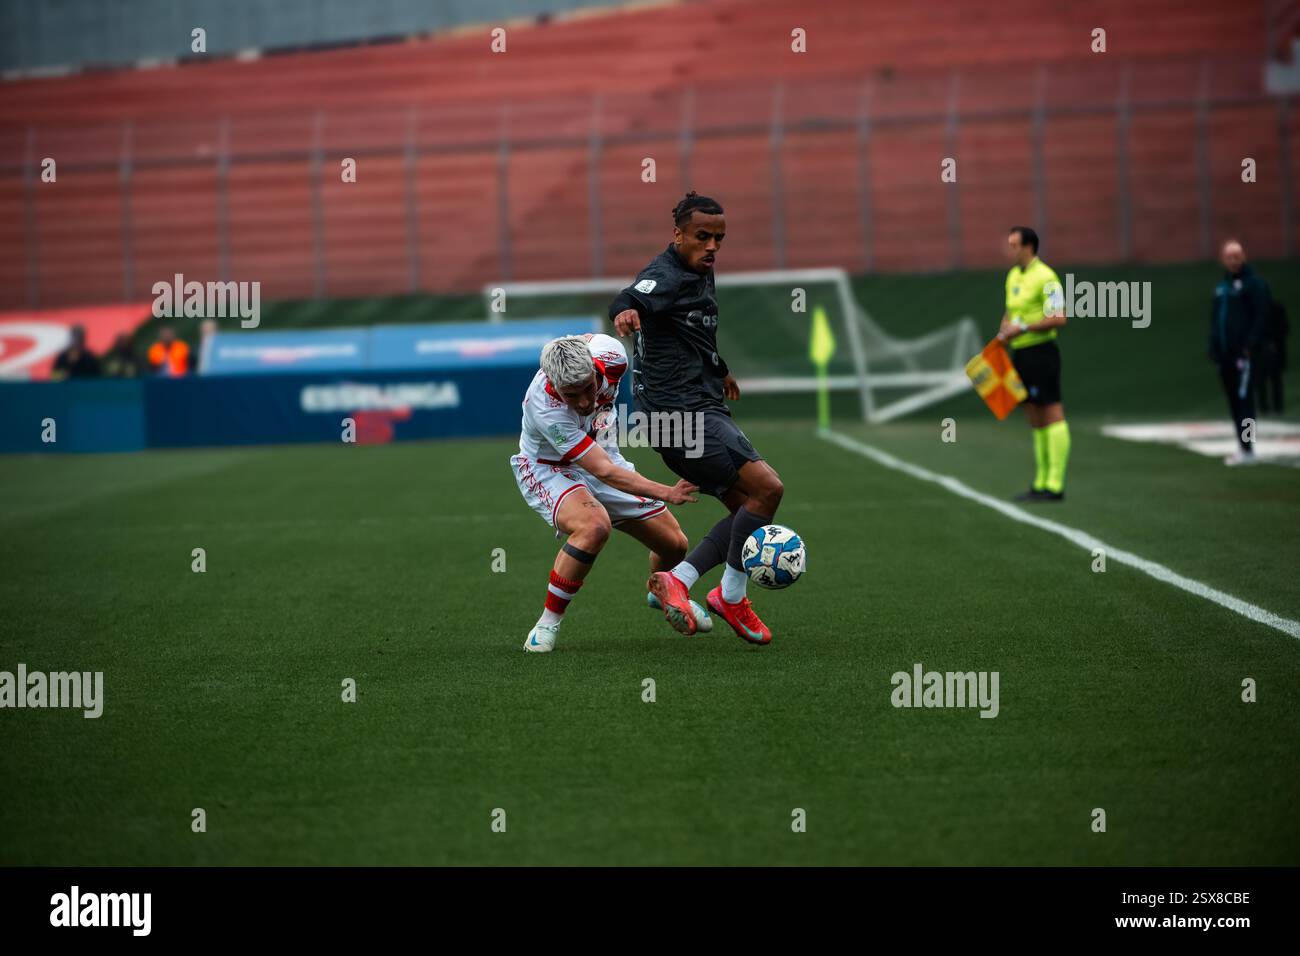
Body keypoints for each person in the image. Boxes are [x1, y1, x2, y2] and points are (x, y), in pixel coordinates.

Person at [610, 191, 785, 646]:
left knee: (748, 511)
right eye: (702, 236)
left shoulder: (699, 270)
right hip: (682, 413)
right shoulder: (665, 273)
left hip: (681, 411)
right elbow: (631, 298)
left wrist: (720, 369)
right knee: (768, 490)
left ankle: (704, 588)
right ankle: (710, 589)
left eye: (719, 239)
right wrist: (626, 312)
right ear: (679, 235)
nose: (712, 246)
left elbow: (690, 329)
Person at [511, 333, 704, 653]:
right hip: (549, 468)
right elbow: (604, 472)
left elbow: (588, 338)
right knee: (594, 526)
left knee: (674, 545)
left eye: (589, 388)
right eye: (572, 395)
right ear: (556, 386)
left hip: (602, 454)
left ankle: (663, 588)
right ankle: (546, 624)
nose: (585, 402)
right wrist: (667, 492)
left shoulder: (612, 355)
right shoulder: (544, 406)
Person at [997, 226, 1070, 501]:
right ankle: (1040, 482)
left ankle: (1055, 484)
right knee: (1033, 416)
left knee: (1052, 412)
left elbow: (1060, 317)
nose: (1009, 250)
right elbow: (1011, 312)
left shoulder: (1046, 276)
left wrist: (1024, 328)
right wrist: (1004, 331)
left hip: (1042, 353)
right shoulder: (1013, 275)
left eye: (1014, 245)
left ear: (1029, 247)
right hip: (1021, 355)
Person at [1210, 239, 1272, 465]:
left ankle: (1249, 448)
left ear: (1243, 257)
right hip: (1225, 356)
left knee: (1246, 401)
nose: (1233, 261)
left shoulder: (1254, 285)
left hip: (1245, 354)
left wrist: (1250, 344)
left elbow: (1262, 316)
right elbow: (1216, 322)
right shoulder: (1222, 289)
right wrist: (1214, 348)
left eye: (1236, 256)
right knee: (1234, 402)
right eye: (1229, 256)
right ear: (1223, 260)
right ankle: (1242, 446)